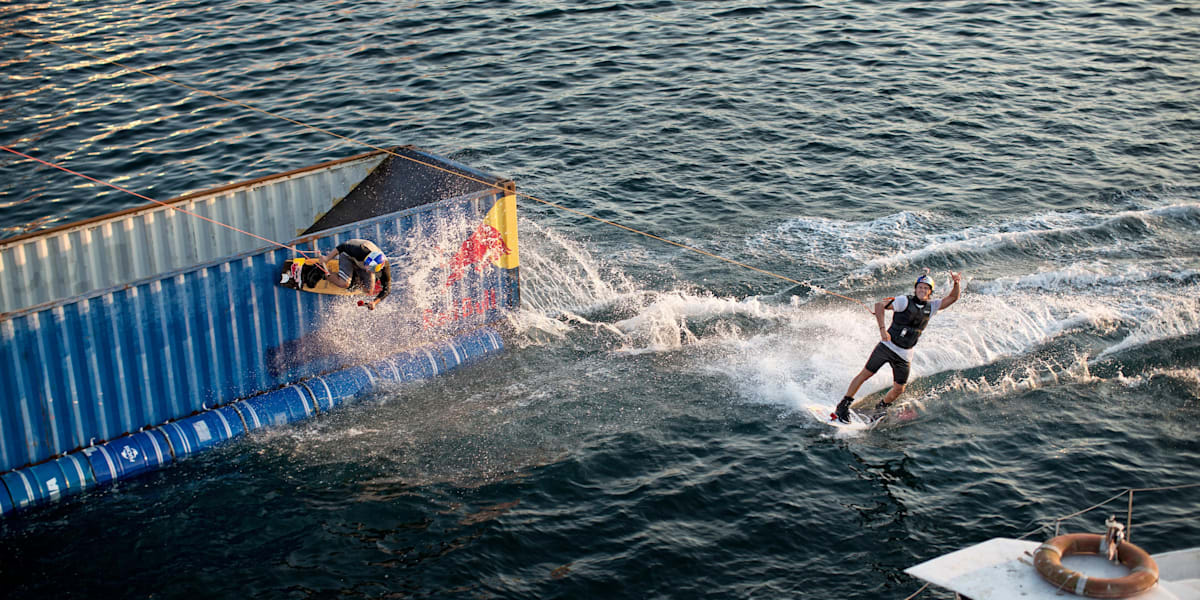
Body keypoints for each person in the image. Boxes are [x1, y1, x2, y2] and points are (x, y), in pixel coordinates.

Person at [834, 270, 962, 423]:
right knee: (865, 375)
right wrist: (882, 330)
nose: (922, 290)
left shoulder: (932, 306)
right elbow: (879, 306)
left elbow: (953, 298)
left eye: (925, 288)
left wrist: (956, 283)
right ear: (915, 289)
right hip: (887, 347)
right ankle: (843, 405)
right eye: (919, 287)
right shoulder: (904, 301)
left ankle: (881, 407)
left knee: (899, 389)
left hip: (904, 353)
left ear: (930, 291)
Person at [318, 238, 392, 310]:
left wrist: (374, 302)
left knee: (369, 290)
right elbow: (342, 246)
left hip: (361, 263)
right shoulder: (360, 250)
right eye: (367, 266)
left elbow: (387, 289)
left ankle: (354, 274)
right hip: (348, 255)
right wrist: (327, 258)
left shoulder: (385, 269)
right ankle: (322, 272)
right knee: (344, 283)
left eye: (370, 269)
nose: (367, 270)